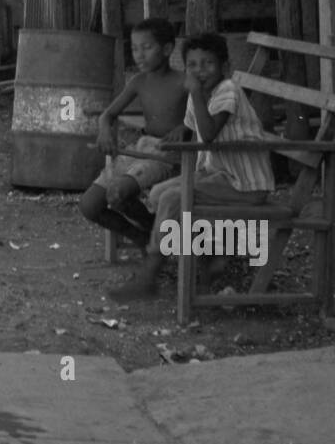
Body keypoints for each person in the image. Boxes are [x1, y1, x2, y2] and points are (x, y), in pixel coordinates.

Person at [110, 32, 275, 301]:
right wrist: (168, 137)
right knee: (157, 194)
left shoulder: (228, 91)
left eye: (208, 64)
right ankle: (208, 260)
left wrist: (195, 93)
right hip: (218, 178)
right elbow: (189, 127)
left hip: (244, 185)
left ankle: (151, 275)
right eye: (193, 65)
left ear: (226, 67)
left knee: (174, 198)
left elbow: (208, 134)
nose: (200, 71)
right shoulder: (197, 95)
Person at [79, 19, 187, 258]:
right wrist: (104, 130)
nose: (139, 55)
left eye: (147, 47)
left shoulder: (184, 82)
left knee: (117, 193)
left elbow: (206, 116)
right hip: (140, 148)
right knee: (89, 205)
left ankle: (159, 237)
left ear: (168, 49)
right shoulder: (138, 81)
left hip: (168, 153)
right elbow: (108, 115)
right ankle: (146, 237)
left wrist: (185, 126)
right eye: (135, 48)